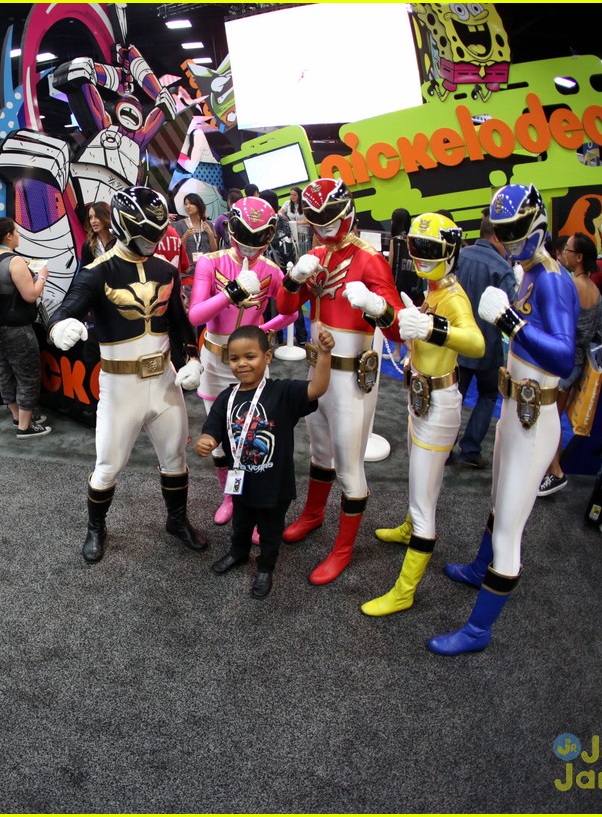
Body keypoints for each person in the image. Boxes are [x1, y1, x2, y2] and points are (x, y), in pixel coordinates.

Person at [432, 184, 577, 656]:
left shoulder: (552, 279)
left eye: (517, 232)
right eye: (505, 232)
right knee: (499, 501)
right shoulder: (532, 270)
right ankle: (480, 567)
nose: (511, 242)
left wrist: (512, 322)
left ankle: (479, 631)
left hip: (535, 416)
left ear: (537, 225)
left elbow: (564, 356)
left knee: (511, 525)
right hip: (517, 410)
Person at [47, 187, 205, 562]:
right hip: (121, 387)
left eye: (156, 233)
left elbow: (180, 324)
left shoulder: (167, 270)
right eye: (144, 234)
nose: (151, 242)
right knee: (107, 466)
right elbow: (62, 311)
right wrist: (59, 328)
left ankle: (177, 520)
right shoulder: (96, 272)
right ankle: (95, 527)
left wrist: (192, 358)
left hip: (164, 383)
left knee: (175, 460)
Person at [271, 178, 404, 585]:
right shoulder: (314, 253)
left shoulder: (370, 260)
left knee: (349, 466)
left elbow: (399, 330)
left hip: (351, 380)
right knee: (319, 451)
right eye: (315, 222)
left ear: (347, 214)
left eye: (328, 220)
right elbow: (286, 307)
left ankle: (343, 548)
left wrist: (377, 306)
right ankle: (313, 515)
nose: (323, 229)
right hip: (318, 371)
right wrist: (294, 278)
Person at [363, 214, 484, 615]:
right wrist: (382, 310)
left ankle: (405, 590)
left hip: (438, 403)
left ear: (450, 251)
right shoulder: (436, 288)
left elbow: (477, 343)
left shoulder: (452, 296)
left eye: (430, 250)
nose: (421, 257)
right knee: (420, 483)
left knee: (423, 501)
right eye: (417, 247)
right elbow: (406, 329)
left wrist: (432, 327)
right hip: (422, 398)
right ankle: (411, 527)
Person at [195, 325, 332, 598]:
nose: (242, 364)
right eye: (235, 359)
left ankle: (266, 567)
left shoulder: (282, 392)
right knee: (241, 525)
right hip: (242, 483)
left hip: (274, 485)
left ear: (267, 357)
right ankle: (239, 554)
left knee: (270, 532)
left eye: (250, 356)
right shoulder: (227, 397)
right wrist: (207, 440)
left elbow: (318, 388)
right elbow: (213, 428)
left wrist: (325, 355)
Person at [187, 196, 285, 527]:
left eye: (259, 239)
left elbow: (289, 312)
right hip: (214, 361)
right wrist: (231, 293)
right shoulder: (210, 262)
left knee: (253, 437)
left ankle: (252, 505)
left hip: (253, 365)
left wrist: (261, 333)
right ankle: (229, 496)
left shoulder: (272, 271)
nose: (250, 247)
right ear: (230, 228)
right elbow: (196, 314)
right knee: (217, 437)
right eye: (244, 236)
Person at [539, 232, 602, 496]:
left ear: (579, 257)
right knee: (555, 416)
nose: (563, 252)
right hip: (577, 363)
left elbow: (559, 326)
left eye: (567, 249)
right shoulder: (596, 292)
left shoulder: (570, 286)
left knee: (550, 418)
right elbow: (597, 334)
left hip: (562, 363)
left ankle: (555, 471)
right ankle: (551, 469)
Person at [453, 212, 519, 468]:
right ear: (498, 236)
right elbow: (509, 308)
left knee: (454, 395)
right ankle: (470, 449)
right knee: (489, 394)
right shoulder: (503, 268)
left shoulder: (460, 256)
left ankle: (445, 447)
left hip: (458, 341)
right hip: (488, 347)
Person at [0, 218, 51, 437]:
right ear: (8, 236)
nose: (19, 235)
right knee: (28, 374)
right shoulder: (15, 261)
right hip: (17, 328)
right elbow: (30, 295)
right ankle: (25, 426)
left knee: (6, 371)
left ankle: (18, 416)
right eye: (17, 232)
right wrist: (42, 277)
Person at [175, 192, 217, 262]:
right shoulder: (180, 224)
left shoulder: (208, 225)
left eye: (191, 203)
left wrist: (210, 234)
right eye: (185, 204)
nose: (188, 206)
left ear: (198, 205)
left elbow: (214, 250)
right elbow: (178, 249)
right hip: (188, 268)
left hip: (205, 266)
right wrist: (185, 236)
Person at [80, 201, 116, 266]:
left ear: (105, 216)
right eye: (90, 217)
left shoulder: (119, 238)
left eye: (96, 217)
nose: (93, 221)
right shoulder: (88, 246)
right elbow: (84, 272)